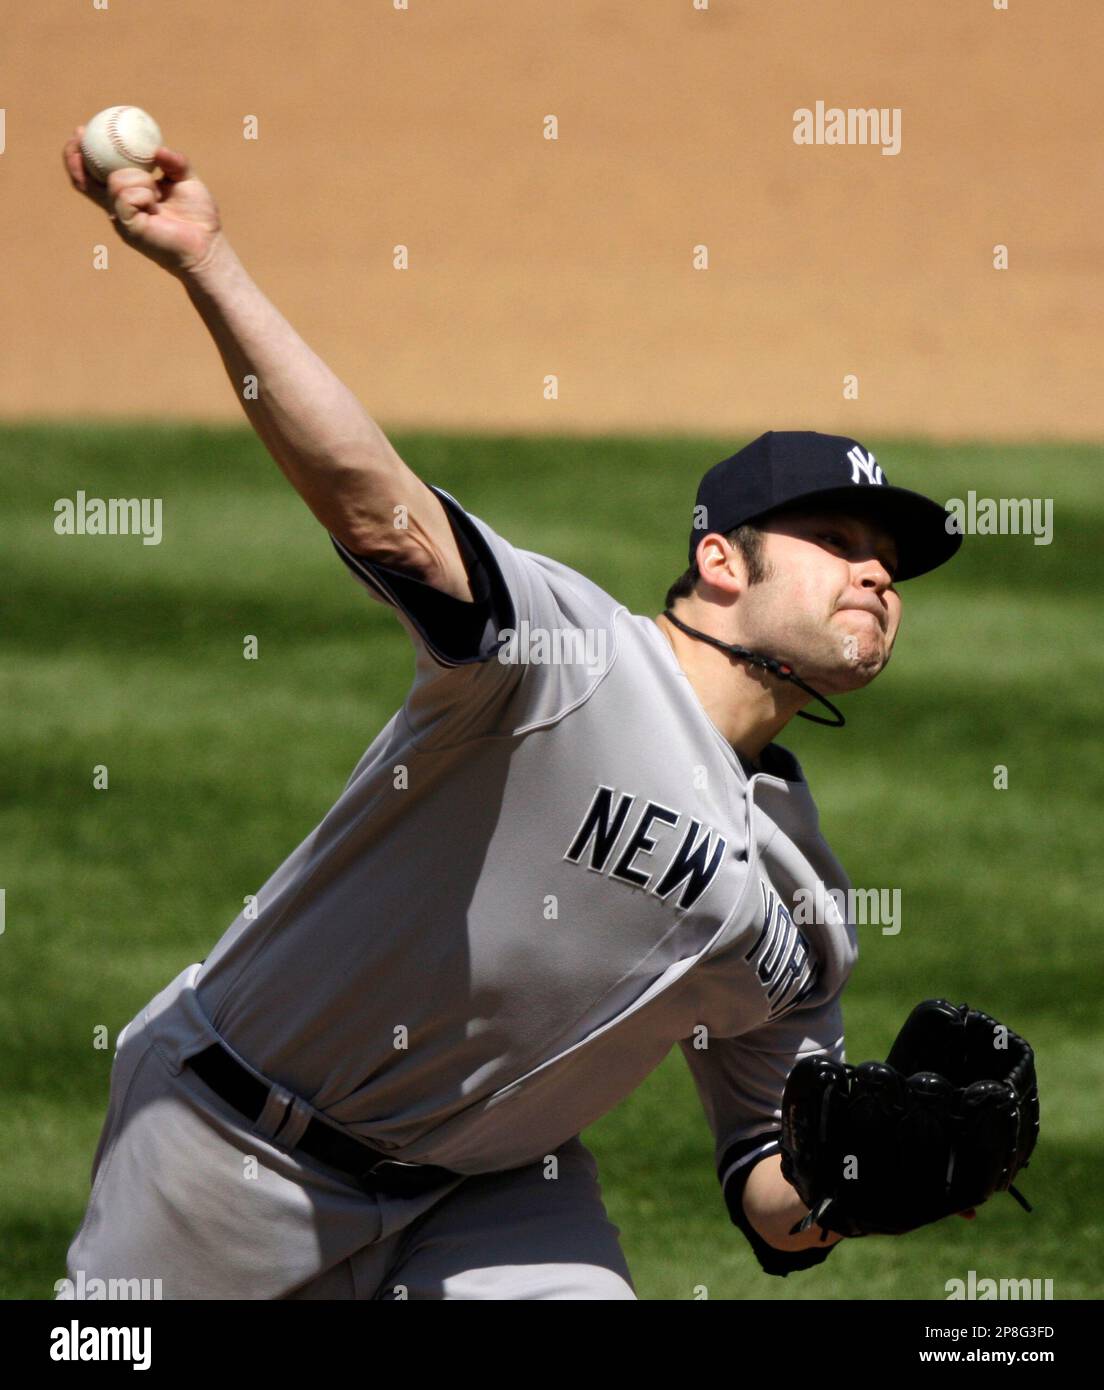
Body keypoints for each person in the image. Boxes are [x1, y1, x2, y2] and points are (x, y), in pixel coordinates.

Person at [56, 131, 965, 1300]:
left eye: (892, 563)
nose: (878, 575)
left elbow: (769, 1197)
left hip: (493, 1194)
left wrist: (860, 1182)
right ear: (720, 563)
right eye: (838, 542)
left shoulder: (805, 894)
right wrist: (210, 264)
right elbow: (383, 516)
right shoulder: (568, 657)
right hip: (227, 1151)